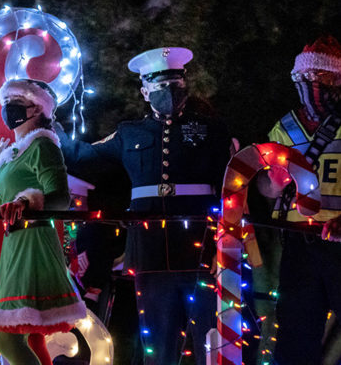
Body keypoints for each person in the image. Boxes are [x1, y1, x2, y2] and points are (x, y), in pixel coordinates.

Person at [58, 47, 232, 365]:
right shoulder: (129, 133)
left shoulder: (212, 130)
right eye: (160, 85)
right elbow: (82, 156)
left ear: (185, 85)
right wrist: (48, 126)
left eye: (175, 84)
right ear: (144, 91)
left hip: (201, 249)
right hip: (151, 253)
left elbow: (232, 179)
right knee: (158, 344)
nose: (169, 91)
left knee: (212, 342)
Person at [0, 78, 85, 365]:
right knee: (31, 334)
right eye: (6, 104)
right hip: (14, 241)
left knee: (7, 336)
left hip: (34, 241)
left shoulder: (42, 145)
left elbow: (60, 198)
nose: (9, 110)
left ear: (38, 108)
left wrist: (28, 202)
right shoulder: (12, 155)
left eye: (17, 103)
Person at [255, 35, 341, 365]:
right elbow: (263, 186)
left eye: (320, 78)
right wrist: (271, 185)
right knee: (295, 335)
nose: (310, 85)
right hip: (298, 244)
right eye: (302, 79)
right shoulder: (284, 128)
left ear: (338, 79)